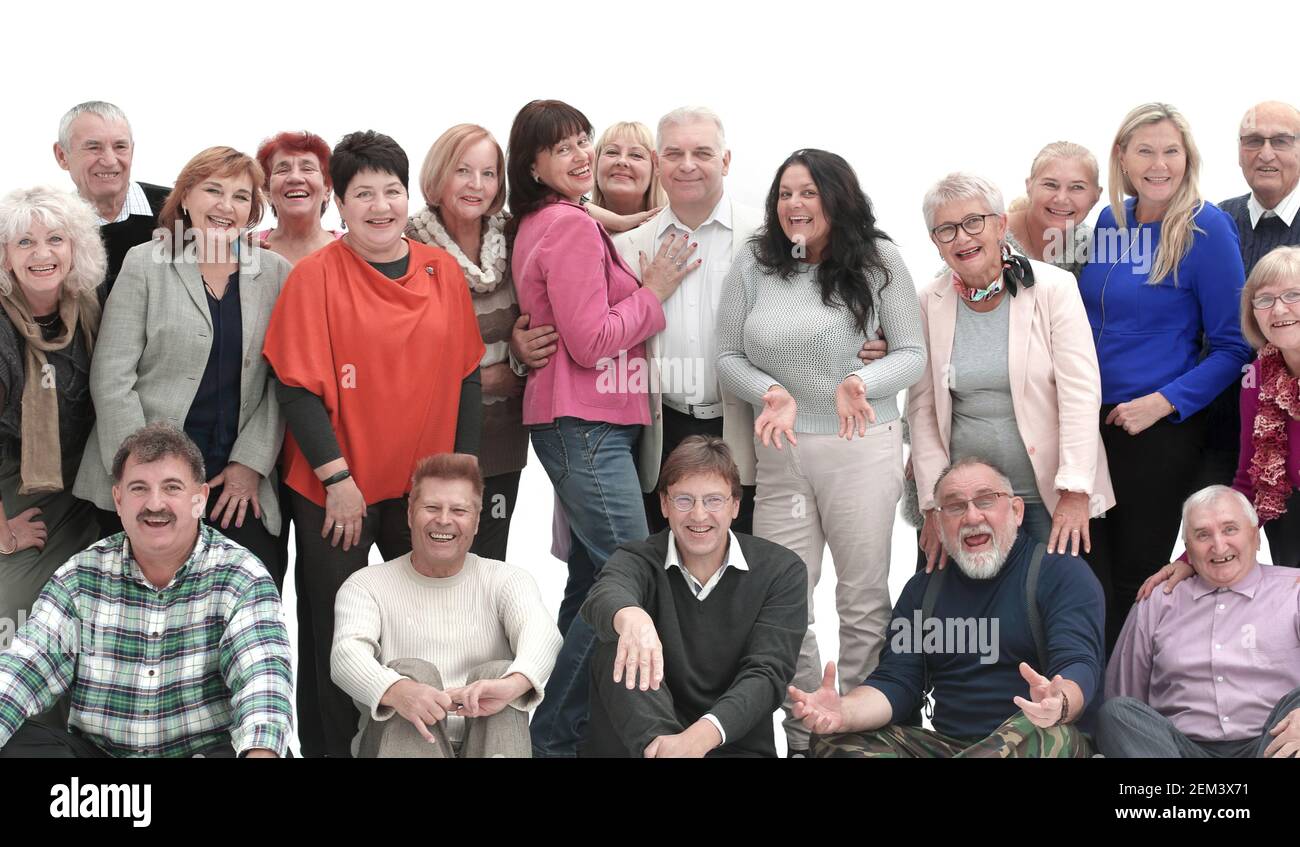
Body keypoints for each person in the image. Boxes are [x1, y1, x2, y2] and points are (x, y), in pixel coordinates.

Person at [262, 130, 485, 758]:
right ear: (339, 201)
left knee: (429, 624)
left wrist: (459, 478)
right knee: (336, 633)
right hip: (338, 490)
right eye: (364, 193)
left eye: (392, 190)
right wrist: (338, 481)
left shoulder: (442, 273)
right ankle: (331, 751)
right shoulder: (314, 278)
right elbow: (295, 389)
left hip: (422, 488)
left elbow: (467, 374)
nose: (381, 205)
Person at [716, 148, 926, 755]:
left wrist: (864, 382)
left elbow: (910, 353)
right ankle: (806, 732)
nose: (795, 205)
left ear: (837, 198)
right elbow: (728, 356)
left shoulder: (879, 258)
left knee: (862, 597)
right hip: (782, 452)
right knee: (783, 601)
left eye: (808, 192)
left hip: (862, 444)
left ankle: (858, 737)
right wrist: (772, 390)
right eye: (785, 193)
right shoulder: (756, 263)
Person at [507, 99, 695, 757]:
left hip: (580, 421)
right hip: (583, 420)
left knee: (593, 585)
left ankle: (558, 736)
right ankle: (553, 737)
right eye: (564, 148)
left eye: (584, 140)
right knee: (633, 576)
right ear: (532, 163)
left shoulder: (549, 220)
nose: (583, 155)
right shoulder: (571, 227)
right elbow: (589, 342)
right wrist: (655, 292)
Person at [0, 423, 292, 758]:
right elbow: (25, 666)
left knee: (265, 750)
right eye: (139, 488)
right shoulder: (78, 577)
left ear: (199, 499)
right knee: (18, 745)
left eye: (172, 488)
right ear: (118, 499)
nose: (155, 503)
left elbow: (263, 682)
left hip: (202, 753)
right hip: (104, 776)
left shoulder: (242, 576)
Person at [1077, 102, 1253, 652]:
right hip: (1090, 426)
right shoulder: (1111, 221)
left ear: (1188, 158)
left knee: (1136, 575)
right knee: (1086, 573)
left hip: (1156, 431)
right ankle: (1083, 705)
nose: (1160, 165)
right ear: (1123, 159)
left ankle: (1131, 714)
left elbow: (1235, 344)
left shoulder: (1207, 228)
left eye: (1171, 151)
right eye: (1146, 151)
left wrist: (1164, 403)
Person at [74, 147, 291, 587]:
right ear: (185, 197)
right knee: (140, 609)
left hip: (233, 477)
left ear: (253, 210)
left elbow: (280, 380)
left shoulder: (275, 273)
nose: (225, 206)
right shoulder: (145, 263)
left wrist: (251, 465)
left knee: (251, 595)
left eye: (241, 196)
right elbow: (112, 376)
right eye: (212, 190)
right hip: (144, 470)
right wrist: (138, 470)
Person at [791, 456, 1104, 758]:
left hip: (1035, 733)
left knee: (1045, 733)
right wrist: (844, 712)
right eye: (955, 506)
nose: (971, 517)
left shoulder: (1061, 574)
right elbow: (896, 681)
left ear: (1016, 510)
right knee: (837, 740)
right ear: (938, 525)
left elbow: (1078, 663)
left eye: (985, 500)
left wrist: (1059, 702)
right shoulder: (921, 591)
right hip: (948, 744)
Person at [908, 173, 1114, 573]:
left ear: (1000, 225)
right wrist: (934, 505)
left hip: (1051, 494)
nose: (963, 239)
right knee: (964, 622)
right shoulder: (926, 302)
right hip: (967, 507)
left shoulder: (1055, 287)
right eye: (946, 230)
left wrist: (1074, 490)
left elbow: (1081, 394)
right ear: (935, 242)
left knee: (1060, 611)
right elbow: (922, 410)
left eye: (974, 222)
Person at [581, 436, 806, 757]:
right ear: (664, 504)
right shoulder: (638, 557)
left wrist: (695, 741)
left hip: (732, 744)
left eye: (714, 500)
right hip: (646, 745)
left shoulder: (781, 570)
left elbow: (767, 673)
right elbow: (605, 594)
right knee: (617, 639)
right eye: (684, 500)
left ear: (735, 505)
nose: (699, 515)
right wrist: (632, 617)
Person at [331, 453, 560, 758]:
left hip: (485, 740)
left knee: (501, 674)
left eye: (459, 510)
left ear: (477, 522)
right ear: (411, 514)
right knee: (411, 672)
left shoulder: (507, 579)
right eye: (431, 507)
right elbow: (346, 656)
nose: (443, 520)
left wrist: (512, 685)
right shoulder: (367, 585)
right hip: (395, 743)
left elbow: (542, 636)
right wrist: (399, 691)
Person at [612, 107, 761, 537]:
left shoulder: (765, 237)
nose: (688, 164)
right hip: (662, 431)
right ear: (657, 164)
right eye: (674, 153)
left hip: (744, 427)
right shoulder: (626, 247)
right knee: (664, 570)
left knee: (742, 565)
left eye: (702, 152)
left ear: (726, 161)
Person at [1101, 486, 1300, 758]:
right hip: (1179, 749)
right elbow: (1124, 693)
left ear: (1256, 536)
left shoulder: (1294, 591)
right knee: (1117, 713)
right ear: (1188, 549)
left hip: (1271, 744)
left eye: (1230, 529)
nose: (1218, 546)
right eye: (1203, 535)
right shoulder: (1159, 599)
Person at [406, 124, 526, 561]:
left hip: (502, 440)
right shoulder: (404, 242)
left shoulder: (515, 236)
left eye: (489, 173)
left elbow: (575, 211)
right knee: (428, 566)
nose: (477, 185)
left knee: (489, 567)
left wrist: (518, 361)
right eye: (463, 171)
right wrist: (479, 380)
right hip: (431, 441)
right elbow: (395, 349)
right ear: (438, 176)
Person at [0, 187, 104, 635]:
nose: (42, 253)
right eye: (24, 242)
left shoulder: (85, 306)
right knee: (21, 617)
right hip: (19, 486)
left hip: (83, 483)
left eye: (55, 239)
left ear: (75, 247)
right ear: (5, 257)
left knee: (90, 626)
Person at [1199, 102, 1300, 489]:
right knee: (1215, 537)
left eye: (1281, 141)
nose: (1266, 153)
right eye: (1253, 141)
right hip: (1217, 427)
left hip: (1292, 429)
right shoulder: (1214, 223)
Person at [52, 101, 168, 296]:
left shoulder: (181, 208)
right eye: (93, 147)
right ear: (62, 156)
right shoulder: (49, 227)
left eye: (120, 146)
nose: (109, 160)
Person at [1004, 141, 1102, 277]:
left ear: (1096, 195)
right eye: (1050, 184)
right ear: (1029, 186)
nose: (1061, 199)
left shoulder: (1089, 245)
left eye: (1077, 187)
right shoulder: (993, 236)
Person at [254, 130, 343, 265]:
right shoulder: (247, 249)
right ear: (267, 191)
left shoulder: (354, 250)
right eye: (282, 170)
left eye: (307, 168)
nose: (295, 178)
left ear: (327, 189)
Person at [591, 121, 664, 218]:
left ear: (655, 169)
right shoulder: (571, 222)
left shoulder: (678, 227)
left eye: (636, 155)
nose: (622, 161)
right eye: (612, 152)